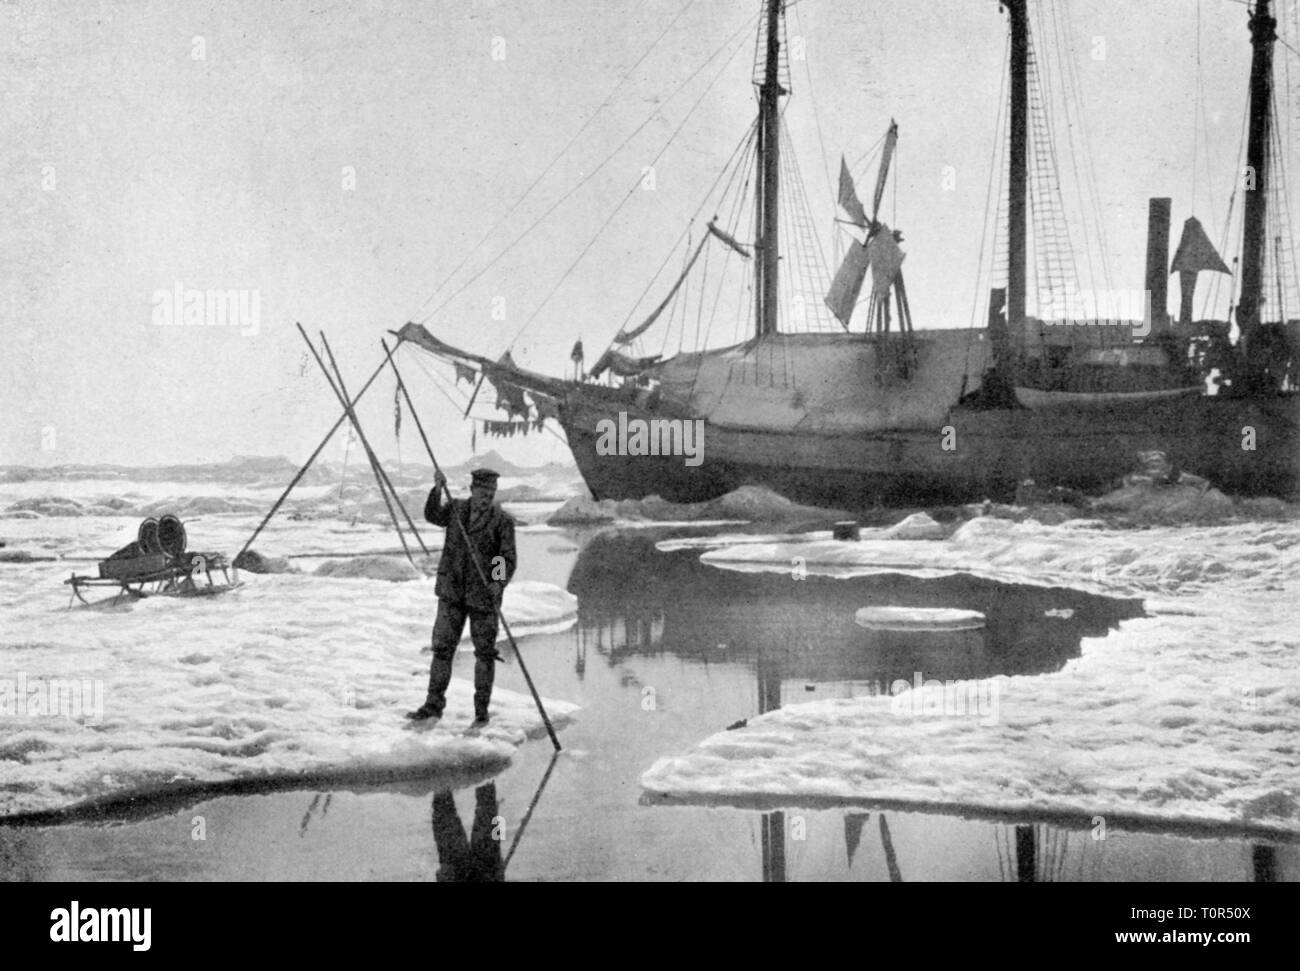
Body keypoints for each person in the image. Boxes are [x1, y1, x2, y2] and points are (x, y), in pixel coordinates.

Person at [407, 467, 516, 725]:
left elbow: (505, 557)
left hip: (484, 598)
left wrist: (497, 582)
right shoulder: (455, 510)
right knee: (442, 649)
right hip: (452, 592)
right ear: (472, 490)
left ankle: (481, 712)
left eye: (490, 493)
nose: (486, 497)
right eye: (482, 491)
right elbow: (432, 515)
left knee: (485, 654)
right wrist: (436, 488)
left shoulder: (502, 521)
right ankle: (433, 706)